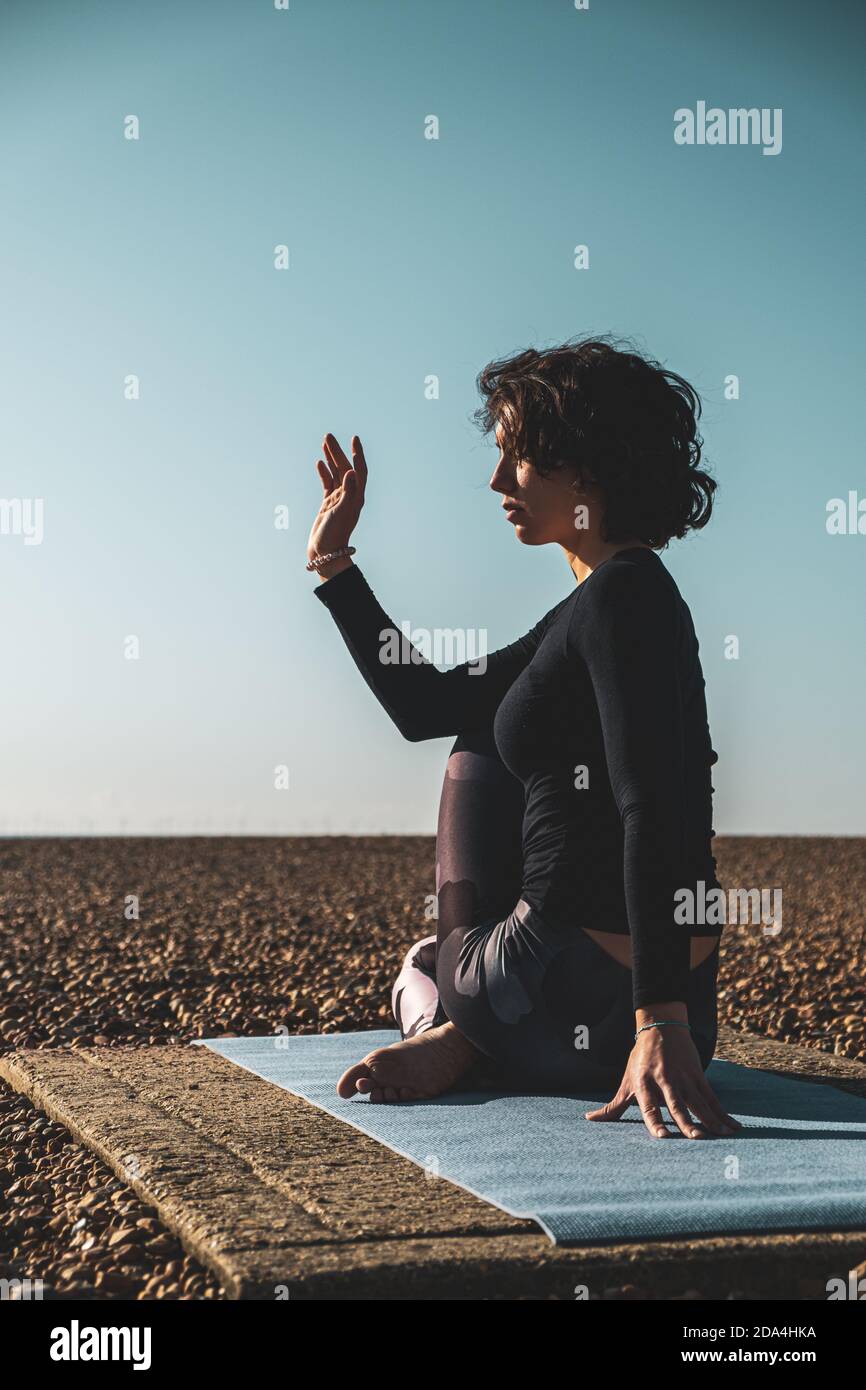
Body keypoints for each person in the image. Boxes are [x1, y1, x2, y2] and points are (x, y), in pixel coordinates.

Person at [307, 337, 740, 1140]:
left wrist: (659, 1024)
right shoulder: (601, 606)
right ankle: (479, 1023)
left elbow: (652, 805)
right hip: (669, 1012)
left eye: (519, 461)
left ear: (585, 465)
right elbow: (420, 699)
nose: (498, 482)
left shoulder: (620, 596)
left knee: (421, 956)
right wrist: (335, 563)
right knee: (483, 716)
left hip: (558, 998)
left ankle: (461, 1031)